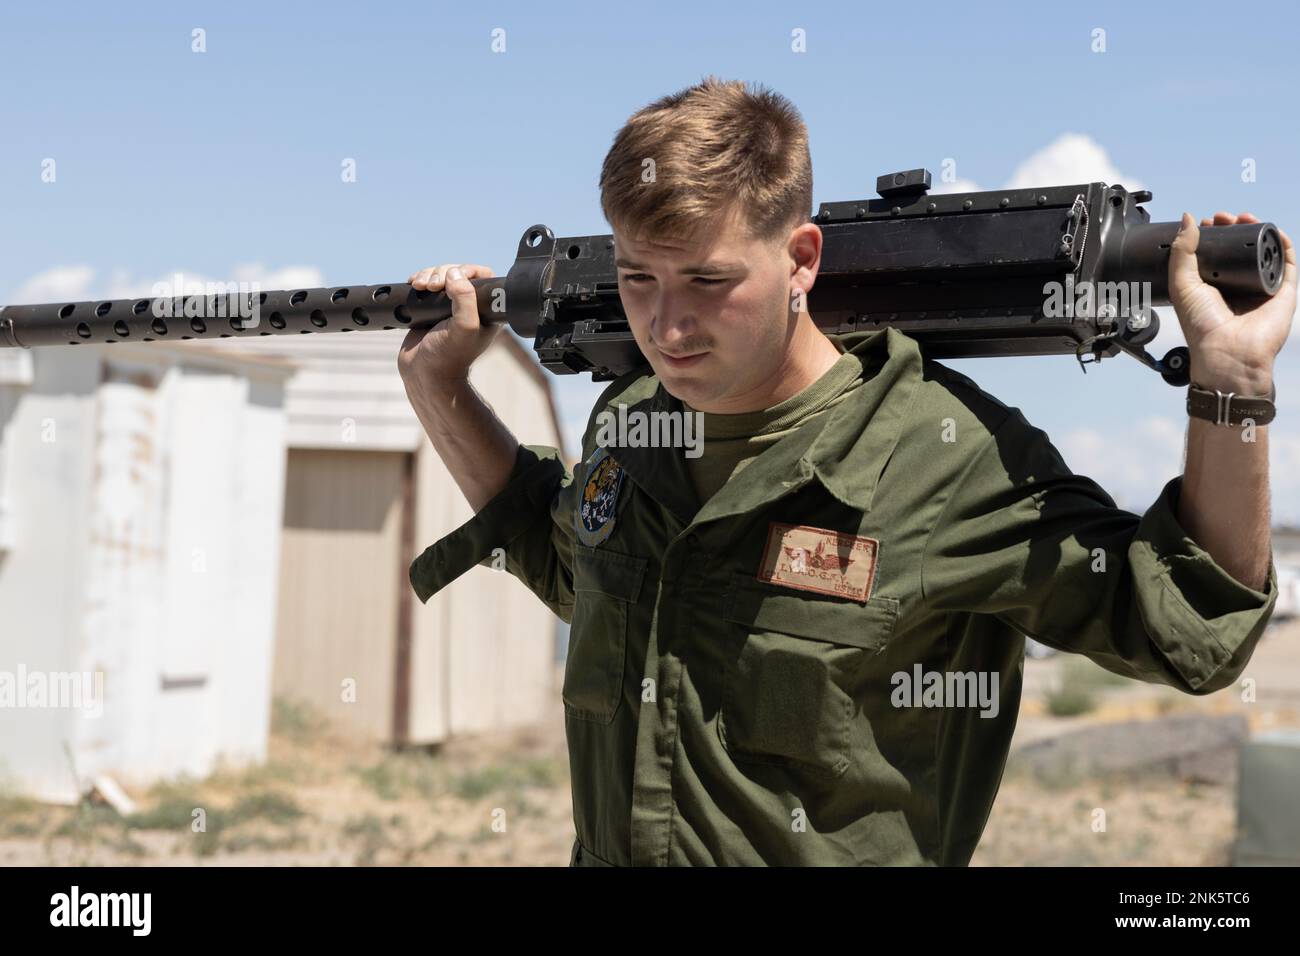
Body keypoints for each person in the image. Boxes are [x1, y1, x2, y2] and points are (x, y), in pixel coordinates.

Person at [396, 76, 1295, 866]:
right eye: (639, 279)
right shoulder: (633, 423)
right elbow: (575, 573)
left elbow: (1192, 630)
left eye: (708, 282)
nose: (666, 328)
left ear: (801, 260)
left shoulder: (940, 456)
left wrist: (1233, 384)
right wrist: (441, 387)